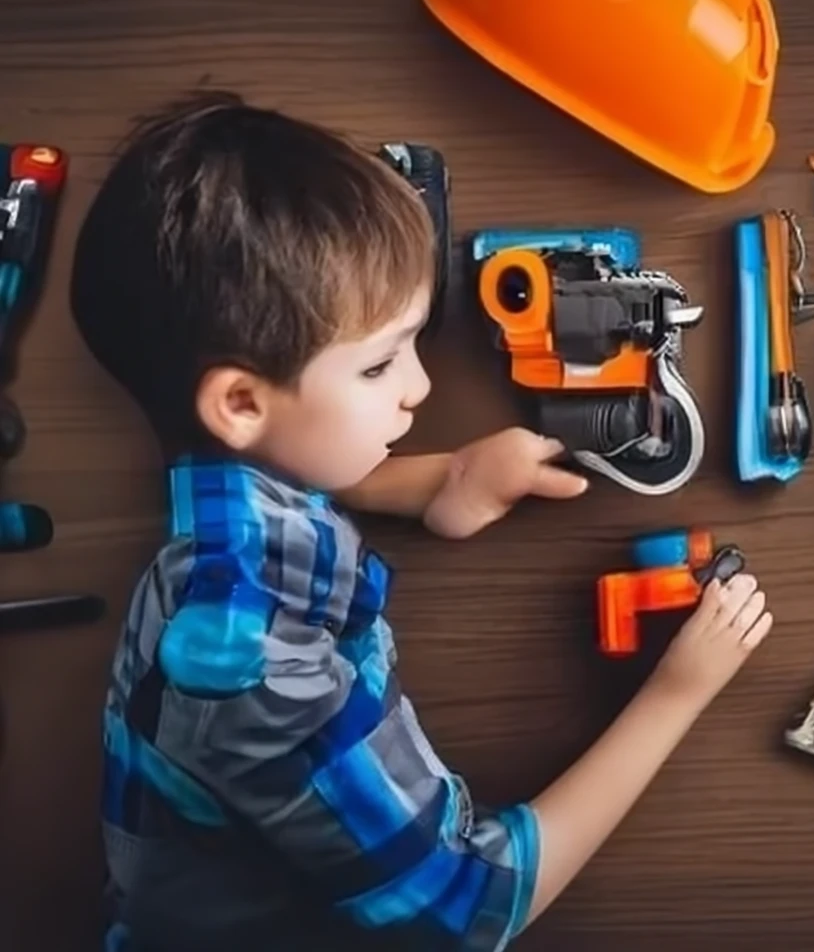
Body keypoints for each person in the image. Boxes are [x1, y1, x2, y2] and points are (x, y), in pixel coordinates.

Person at [70, 91, 773, 952]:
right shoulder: (248, 670)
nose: (420, 388)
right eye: (378, 366)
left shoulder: (222, 508)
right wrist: (677, 692)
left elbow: (280, 491)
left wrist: (441, 480)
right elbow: (472, 908)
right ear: (242, 402)